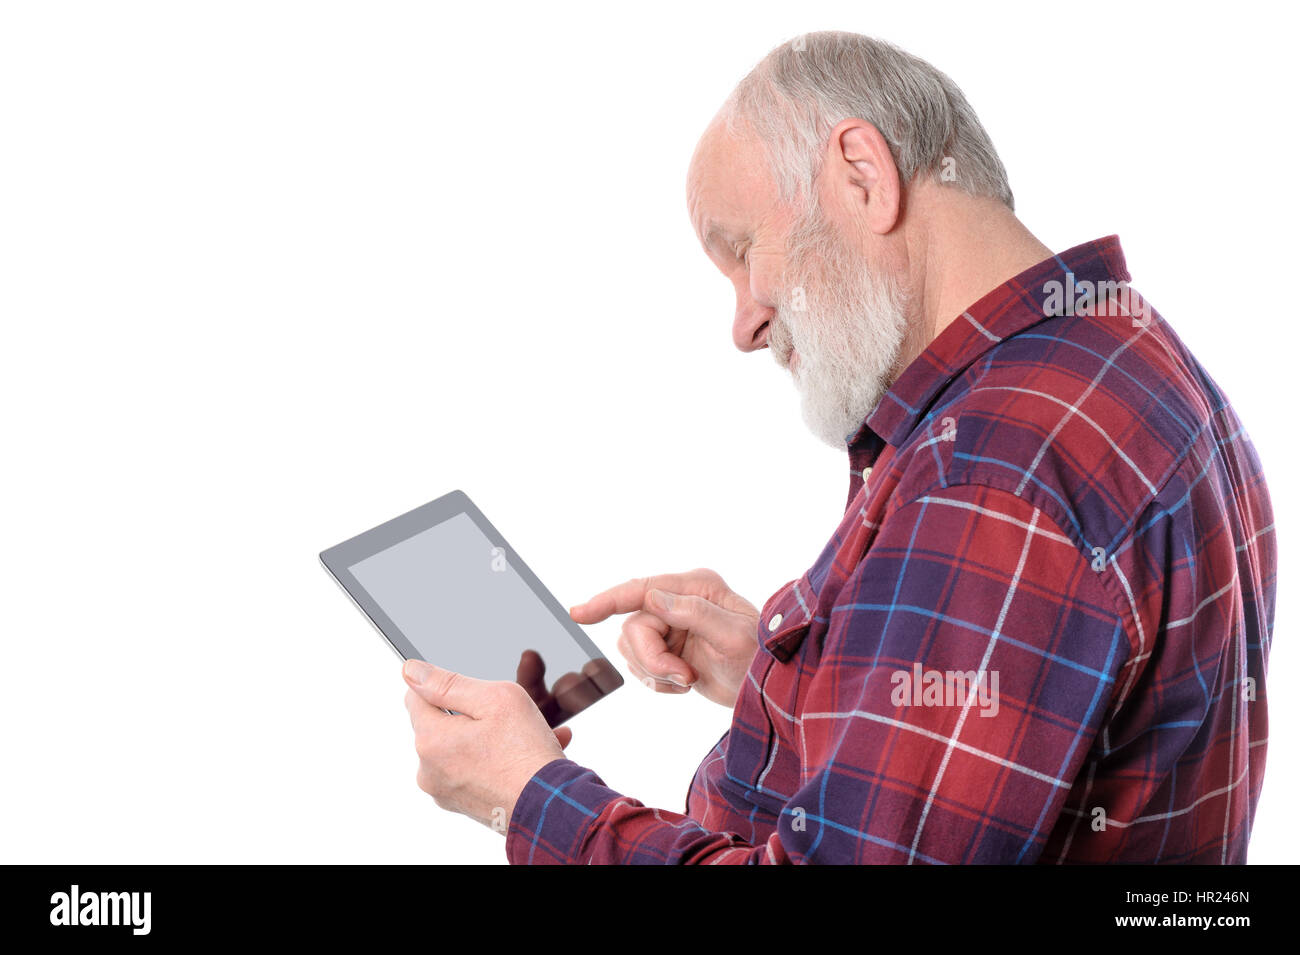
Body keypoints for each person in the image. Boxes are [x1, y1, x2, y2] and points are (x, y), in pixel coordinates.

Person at [401, 31, 1275, 864]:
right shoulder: (1126, 354)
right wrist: (793, 674)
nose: (744, 323)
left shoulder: (993, 470)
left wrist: (526, 793)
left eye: (743, 252)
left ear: (863, 175)